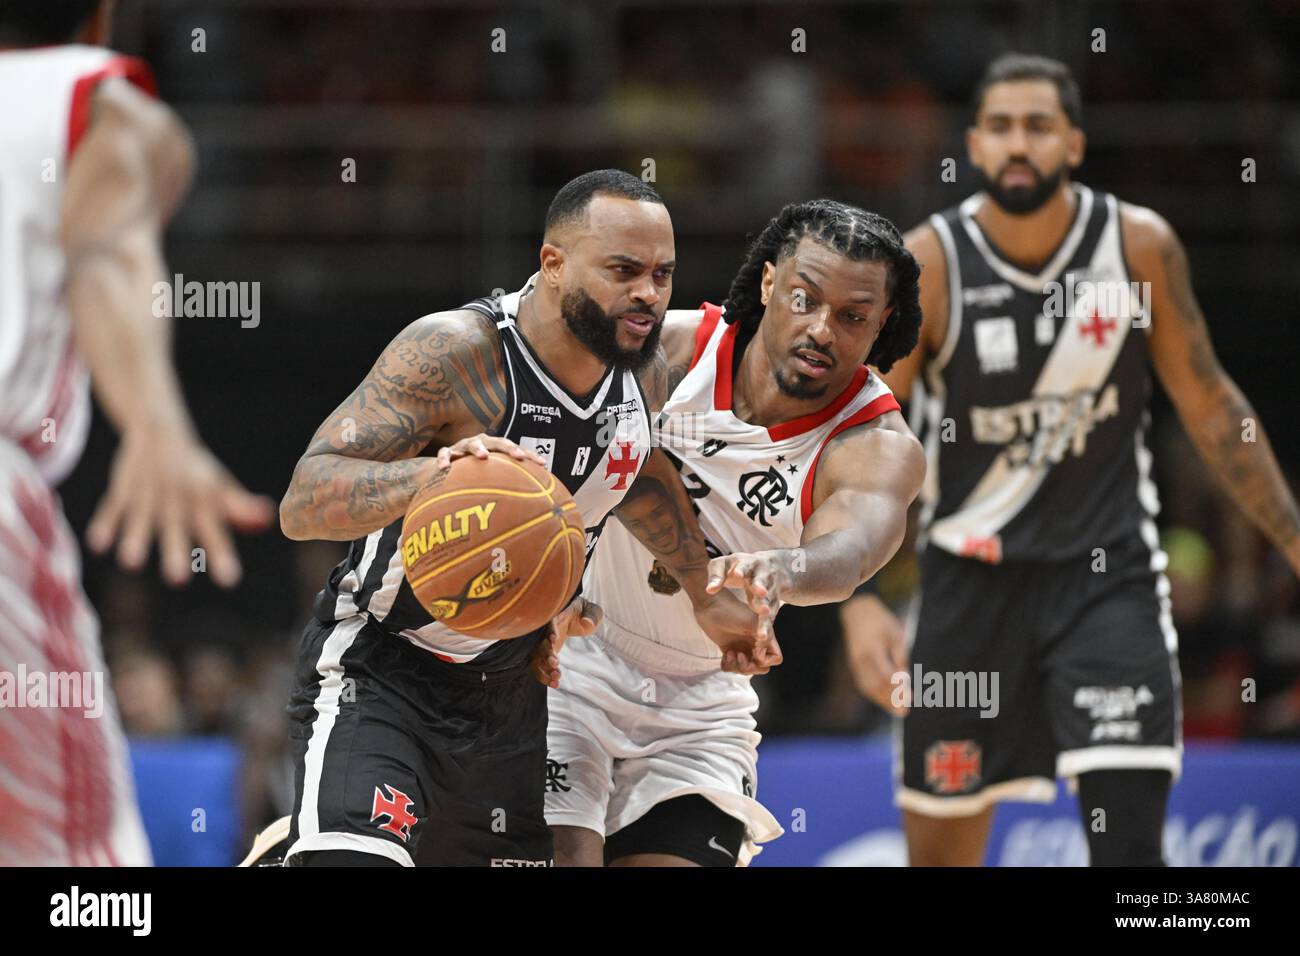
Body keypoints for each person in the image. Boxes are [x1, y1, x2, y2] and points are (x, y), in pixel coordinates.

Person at [848, 53, 1300, 866]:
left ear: (1076, 143)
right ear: (976, 146)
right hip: (968, 590)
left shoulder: (1139, 247)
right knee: (940, 857)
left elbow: (1213, 407)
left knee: (1130, 853)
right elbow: (861, 433)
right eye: (1002, 127)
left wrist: (1295, 539)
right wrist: (856, 599)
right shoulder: (934, 264)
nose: (1020, 144)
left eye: (1039, 126)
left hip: (1109, 585)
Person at [277, 169, 762, 867]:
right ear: (553, 264)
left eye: (662, 274)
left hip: (516, 696)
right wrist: (436, 479)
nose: (648, 294)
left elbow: (635, 481)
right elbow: (304, 501)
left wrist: (702, 591)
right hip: (383, 670)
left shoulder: (646, 374)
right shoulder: (457, 352)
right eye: (623, 270)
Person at [536, 199, 926, 866]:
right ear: (771, 282)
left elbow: (850, 552)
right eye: (805, 299)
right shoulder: (667, 354)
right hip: (573, 667)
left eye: (852, 316)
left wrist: (782, 572)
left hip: (700, 704)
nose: (822, 330)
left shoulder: (877, 444)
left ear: (881, 322)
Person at [0, 0, 275, 865]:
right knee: (86, 872)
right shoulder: (94, 99)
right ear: (104, 17)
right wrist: (156, 426)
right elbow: (108, 253)